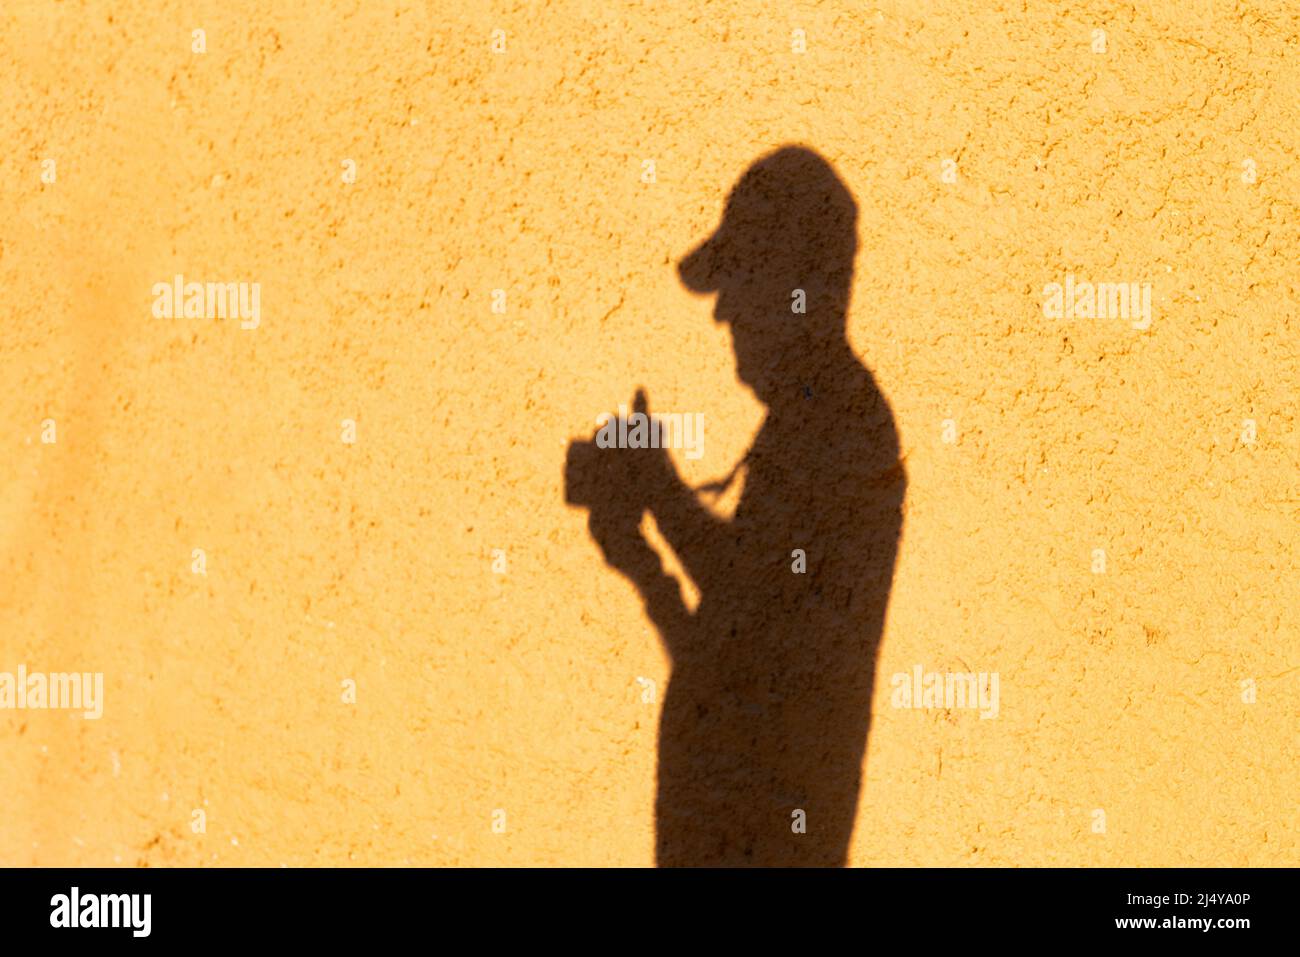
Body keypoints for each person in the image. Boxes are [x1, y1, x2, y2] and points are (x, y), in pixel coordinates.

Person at [566, 146, 905, 866]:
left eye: (739, 279)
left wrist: (655, 491)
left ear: (792, 283)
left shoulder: (833, 423)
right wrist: (645, 560)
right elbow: (741, 637)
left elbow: (746, 591)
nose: (722, 312)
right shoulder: (816, 420)